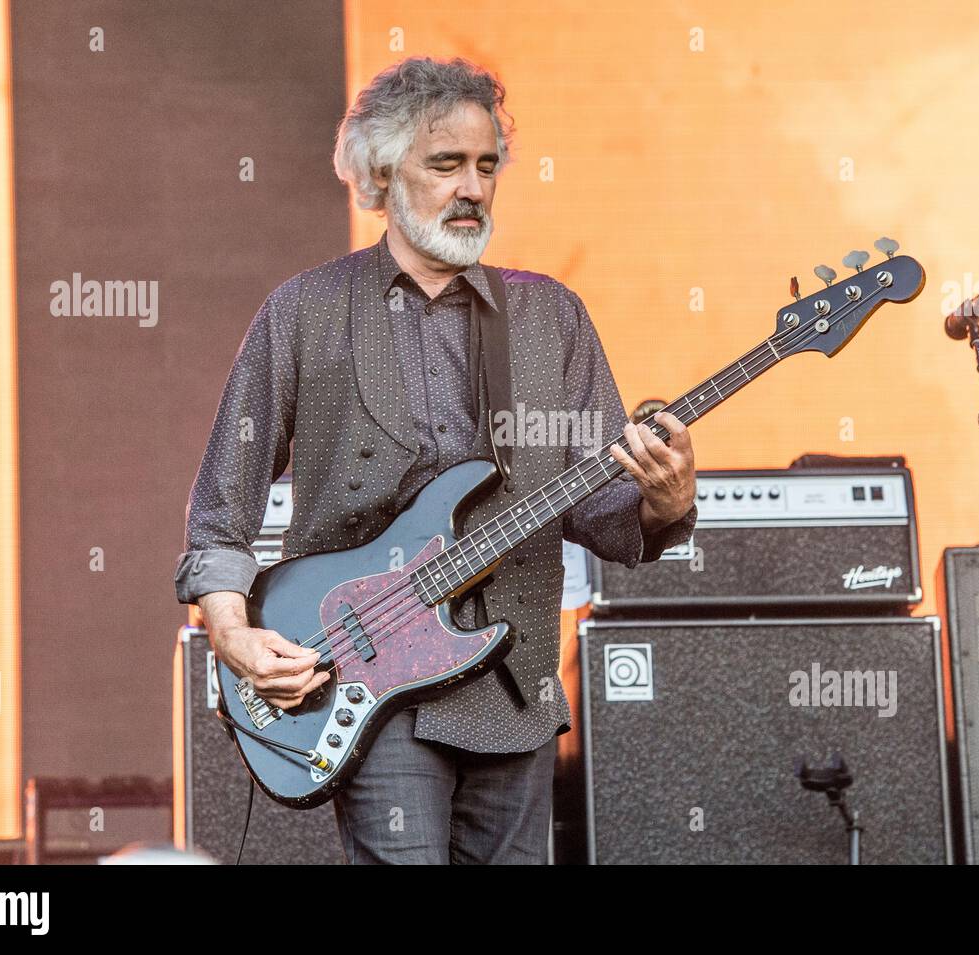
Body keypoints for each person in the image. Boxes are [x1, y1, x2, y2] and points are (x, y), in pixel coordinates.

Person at [174, 56, 697, 864]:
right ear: (383, 174)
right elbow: (221, 509)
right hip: (375, 689)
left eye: (487, 165)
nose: (475, 187)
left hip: (512, 692)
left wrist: (665, 500)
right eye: (446, 164)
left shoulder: (547, 316)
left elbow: (603, 515)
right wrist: (233, 635)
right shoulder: (306, 312)